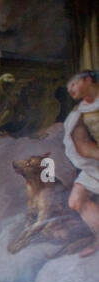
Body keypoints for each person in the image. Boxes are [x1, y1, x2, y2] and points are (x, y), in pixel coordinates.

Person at [63, 70, 99, 257]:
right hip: (96, 162)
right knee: (76, 200)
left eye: (74, 84)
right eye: (68, 87)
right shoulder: (79, 113)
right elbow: (83, 147)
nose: (70, 90)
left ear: (88, 79)